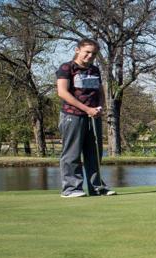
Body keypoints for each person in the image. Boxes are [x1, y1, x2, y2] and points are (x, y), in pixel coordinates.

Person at [55, 38, 115, 198]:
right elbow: (62, 92)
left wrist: (99, 107)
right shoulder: (66, 67)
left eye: (94, 53)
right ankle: (71, 189)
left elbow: (100, 93)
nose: (90, 56)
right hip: (72, 115)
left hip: (93, 116)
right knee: (72, 153)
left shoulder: (94, 70)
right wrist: (87, 109)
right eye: (87, 52)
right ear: (77, 50)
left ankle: (97, 187)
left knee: (94, 154)